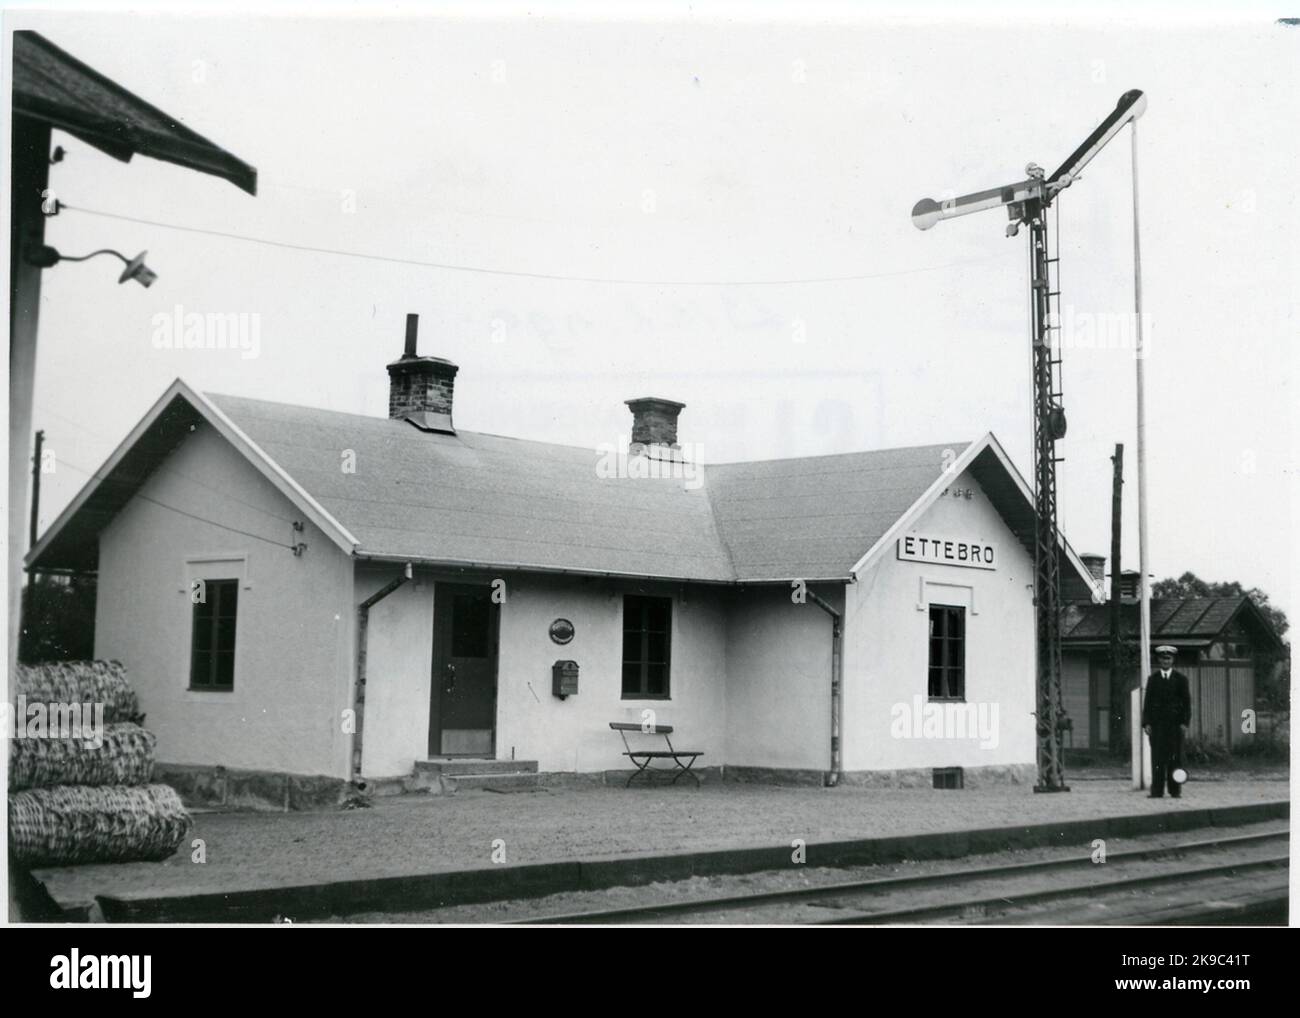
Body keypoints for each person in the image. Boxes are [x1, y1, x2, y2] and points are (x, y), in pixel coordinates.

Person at [1141, 645, 1191, 798]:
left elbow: (1186, 703)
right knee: (1157, 758)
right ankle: (1156, 791)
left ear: (1173, 660)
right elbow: (1147, 703)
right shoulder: (1153, 680)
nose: (1165, 661)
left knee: (1175, 759)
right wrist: (1147, 723)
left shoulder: (1181, 679)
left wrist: (1184, 723)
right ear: (1159, 660)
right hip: (1157, 727)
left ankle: (1175, 790)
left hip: (1175, 726)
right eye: (1163, 658)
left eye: (1168, 658)